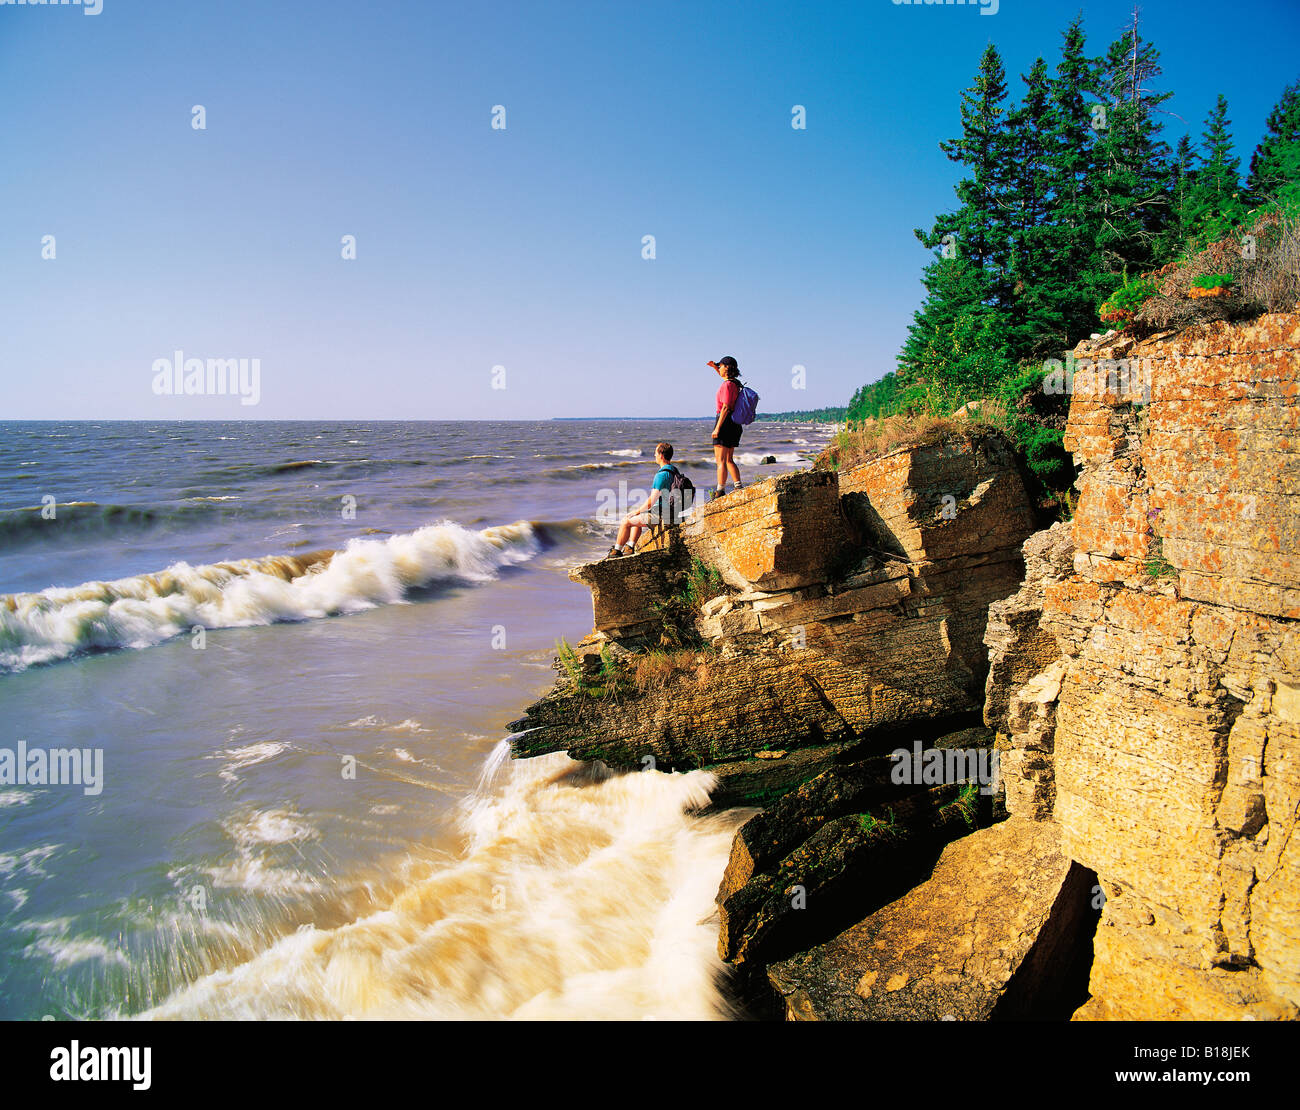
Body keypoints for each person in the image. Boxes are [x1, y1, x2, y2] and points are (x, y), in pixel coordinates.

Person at [606, 442, 681, 557]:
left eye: (655, 453)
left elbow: (652, 500)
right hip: (672, 511)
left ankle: (616, 550)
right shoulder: (674, 471)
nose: (654, 455)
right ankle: (630, 547)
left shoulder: (661, 475)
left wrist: (636, 511)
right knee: (637, 519)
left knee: (626, 521)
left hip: (660, 514)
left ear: (661, 455)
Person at [709, 356, 744, 499]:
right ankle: (738, 486)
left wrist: (717, 428)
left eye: (721, 366)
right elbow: (725, 377)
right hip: (734, 423)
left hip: (725, 422)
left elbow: (726, 407)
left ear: (727, 367)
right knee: (729, 458)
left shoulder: (727, 385)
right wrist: (715, 368)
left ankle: (720, 490)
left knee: (721, 460)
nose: (720, 368)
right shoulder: (735, 383)